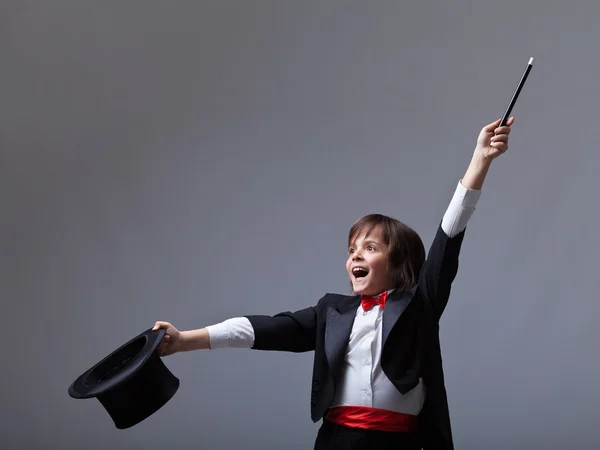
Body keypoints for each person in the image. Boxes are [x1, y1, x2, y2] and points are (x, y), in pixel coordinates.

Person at [152, 116, 516, 450]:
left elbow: (449, 236)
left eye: (370, 248)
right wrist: (185, 340)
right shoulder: (332, 312)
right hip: (337, 441)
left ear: (400, 262)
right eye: (351, 249)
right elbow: (265, 329)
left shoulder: (420, 306)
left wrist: (479, 161)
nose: (355, 256)